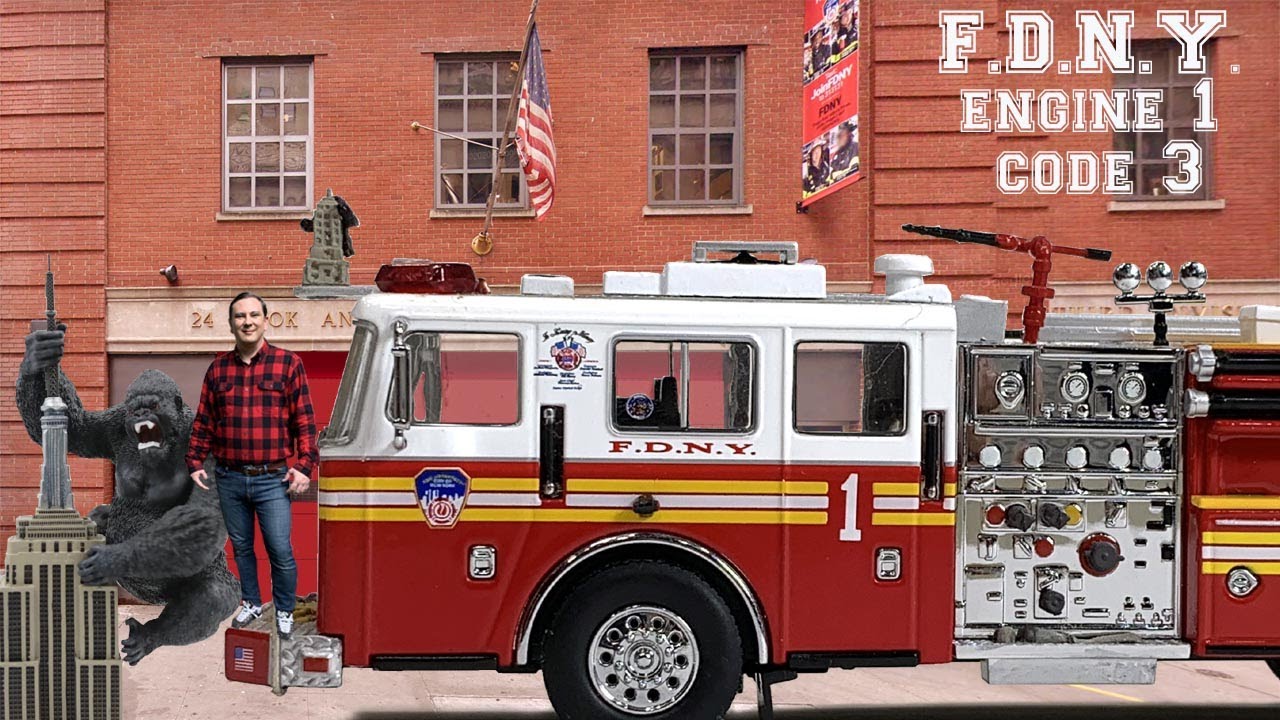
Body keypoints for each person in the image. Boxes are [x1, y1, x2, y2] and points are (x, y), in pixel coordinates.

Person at [186, 292, 318, 639]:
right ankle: (252, 602)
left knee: (280, 548)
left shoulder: (288, 364)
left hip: (272, 478)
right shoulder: (218, 369)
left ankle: (285, 608)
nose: (247, 322)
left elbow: (304, 421)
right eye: (240, 316)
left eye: (254, 315)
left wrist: (304, 466)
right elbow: (204, 420)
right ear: (231, 324)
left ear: (265, 320)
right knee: (242, 548)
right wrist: (195, 460)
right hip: (229, 477)